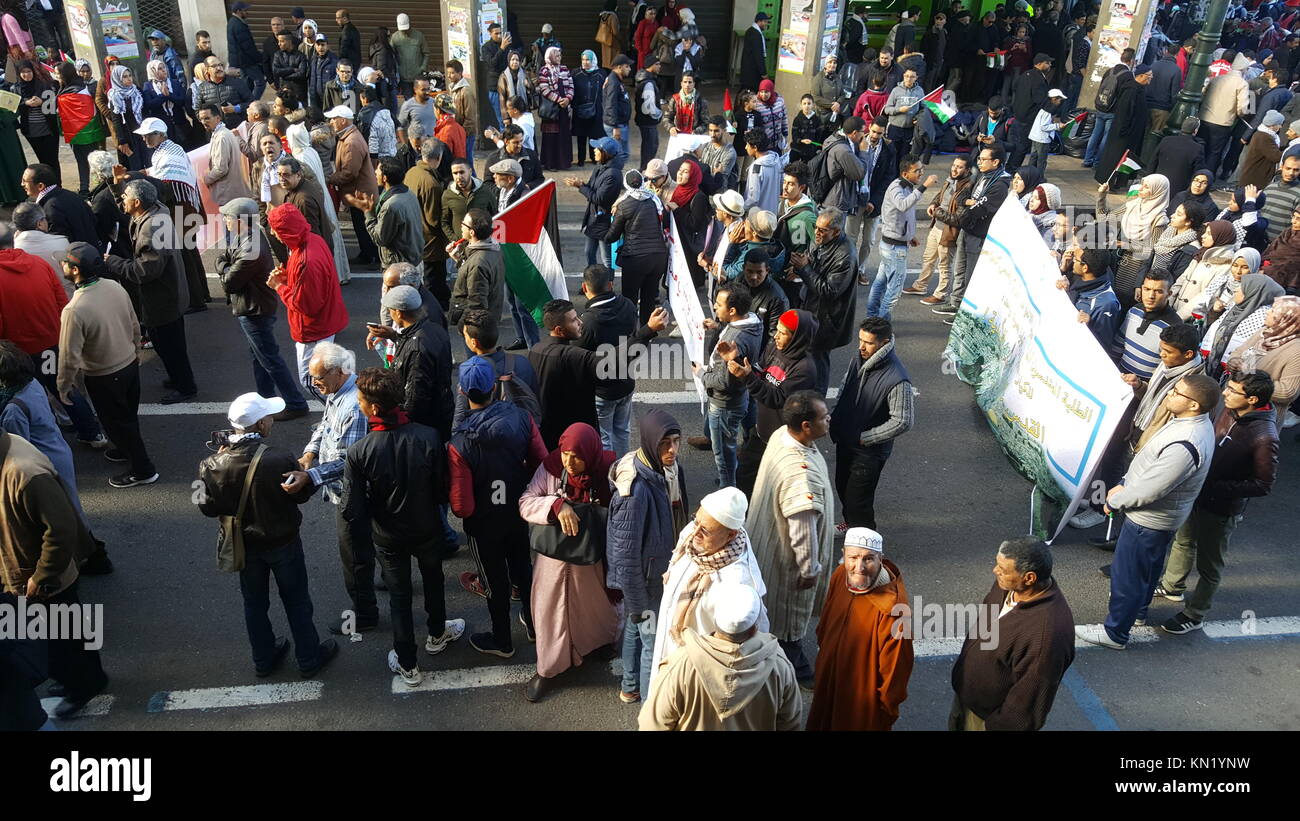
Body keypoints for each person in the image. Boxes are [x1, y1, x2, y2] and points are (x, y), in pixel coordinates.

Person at [196, 391, 338, 678]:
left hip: (244, 545)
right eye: (269, 417)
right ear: (260, 425)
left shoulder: (210, 464)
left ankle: (263, 658)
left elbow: (205, 506)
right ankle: (309, 657)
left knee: (254, 604)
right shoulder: (278, 458)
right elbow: (302, 494)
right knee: (296, 601)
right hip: (283, 541)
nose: (272, 420)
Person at [1076, 374, 1219, 651]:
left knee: (1128, 576)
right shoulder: (1190, 426)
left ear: (1194, 405)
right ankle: (1138, 613)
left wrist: (1116, 501)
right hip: (1156, 519)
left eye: (1177, 392)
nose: (1169, 395)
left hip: (1149, 520)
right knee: (1145, 571)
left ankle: (1115, 632)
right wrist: (1123, 484)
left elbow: (1152, 489)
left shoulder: (1186, 442)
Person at [342, 367, 464, 685]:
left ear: (375, 408)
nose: (358, 404)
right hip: (427, 528)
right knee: (434, 581)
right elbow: (442, 489)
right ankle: (437, 633)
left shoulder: (360, 451)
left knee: (399, 596)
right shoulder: (428, 436)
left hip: (387, 536)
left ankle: (407, 662)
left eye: (360, 400)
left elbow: (352, 508)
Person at [1158, 370, 1279, 635]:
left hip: (1222, 508)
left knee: (1210, 565)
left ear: (1252, 399)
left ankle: (1195, 613)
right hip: (1197, 494)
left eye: (1233, 391)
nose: (1225, 393)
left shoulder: (1264, 435)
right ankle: (1172, 586)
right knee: (1183, 540)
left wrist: (1216, 487)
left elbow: (1263, 484)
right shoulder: (1230, 411)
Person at [0, 427, 108, 718]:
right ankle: (89, 679)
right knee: (71, 632)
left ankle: (81, 686)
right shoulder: (11, 448)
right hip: (34, 568)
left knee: (59, 640)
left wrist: (42, 576)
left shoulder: (25, 473)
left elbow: (60, 531)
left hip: (42, 577)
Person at [518, 422, 620, 702]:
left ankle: (597, 643)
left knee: (594, 608)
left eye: (577, 456)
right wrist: (556, 506)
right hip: (553, 560)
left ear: (591, 453)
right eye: (566, 454)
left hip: (591, 560)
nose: (570, 462)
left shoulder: (609, 472)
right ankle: (547, 669)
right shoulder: (550, 467)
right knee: (549, 611)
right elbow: (526, 501)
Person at [745, 390, 833, 687]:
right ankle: (795, 673)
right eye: (823, 417)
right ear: (806, 426)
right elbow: (802, 532)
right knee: (788, 623)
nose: (828, 419)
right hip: (786, 564)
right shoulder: (800, 475)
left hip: (764, 545)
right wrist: (810, 571)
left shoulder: (783, 434)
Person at [949, 538, 1076, 731]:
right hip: (967, 698)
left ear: (1029, 578)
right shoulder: (1008, 585)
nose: (995, 571)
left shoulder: (1047, 636)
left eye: (1003, 569)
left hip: (988, 720)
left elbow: (1027, 707)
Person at [57, 242, 157, 488]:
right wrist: (135, 350)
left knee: (117, 423)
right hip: (129, 365)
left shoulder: (74, 309)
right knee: (127, 417)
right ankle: (125, 450)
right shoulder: (113, 286)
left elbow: (69, 355)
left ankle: (143, 469)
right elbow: (134, 323)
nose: (61, 265)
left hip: (103, 374)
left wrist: (64, 386)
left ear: (76, 271)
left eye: (65, 263)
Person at [607, 409, 689, 703]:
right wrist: (640, 602)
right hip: (645, 583)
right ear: (651, 443)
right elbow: (625, 555)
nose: (672, 450)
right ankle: (649, 712)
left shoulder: (667, 468)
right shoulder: (636, 491)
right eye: (665, 444)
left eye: (676, 441)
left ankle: (629, 687)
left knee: (634, 626)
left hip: (655, 574)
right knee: (654, 650)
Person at [639, 582, 801, 731]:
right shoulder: (779, 665)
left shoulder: (681, 664)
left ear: (715, 621)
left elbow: (652, 724)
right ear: (754, 628)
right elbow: (790, 723)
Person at [650, 487, 769, 685]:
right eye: (696, 520)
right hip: (668, 649)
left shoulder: (738, 584)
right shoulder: (692, 535)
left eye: (705, 530)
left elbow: (750, 643)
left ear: (731, 535)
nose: (694, 532)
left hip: (696, 675)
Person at [804, 526, 912, 731]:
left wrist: (883, 711)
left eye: (868, 559)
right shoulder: (839, 575)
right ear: (844, 556)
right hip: (829, 682)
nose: (859, 567)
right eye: (853, 558)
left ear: (881, 558)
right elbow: (825, 623)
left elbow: (897, 673)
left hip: (861, 702)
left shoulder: (896, 610)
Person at [104, 179, 197, 405]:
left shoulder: (151, 228)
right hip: (170, 294)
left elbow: (146, 271)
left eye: (125, 197)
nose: (122, 200)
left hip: (163, 299)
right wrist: (117, 187)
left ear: (137, 202)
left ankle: (185, 386)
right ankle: (179, 379)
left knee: (170, 346)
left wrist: (114, 262)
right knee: (169, 343)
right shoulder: (156, 210)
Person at [214, 198, 310, 420]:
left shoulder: (250, 247)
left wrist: (223, 266)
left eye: (227, 218)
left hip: (254, 309)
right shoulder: (249, 235)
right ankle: (265, 397)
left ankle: (295, 403)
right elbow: (225, 258)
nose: (225, 222)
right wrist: (224, 264)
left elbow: (229, 281)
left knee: (269, 358)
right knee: (259, 355)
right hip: (255, 306)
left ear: (239, 221)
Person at [830, 317, 914, 530]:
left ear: (884, 343)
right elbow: (845, 385)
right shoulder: (859, 358)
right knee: (843, 488)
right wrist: (836, 415)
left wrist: (867, 437)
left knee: (859, 502)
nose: (861, 346)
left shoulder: (897, 378)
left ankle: (866, 546)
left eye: (868, 342)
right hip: (846, 441)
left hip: (868, 452)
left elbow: (903, 421)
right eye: (860, 339)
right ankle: (850, 525)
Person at [266, 203, 350, 396]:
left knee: (313, 381)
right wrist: (288, 278)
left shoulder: (306, 259)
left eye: (276, 229)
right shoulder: (313, 241)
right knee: (329, 378)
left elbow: (305, 305)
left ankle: (335, 418)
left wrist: (279, 286)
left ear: (287, 231)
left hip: (313, 330)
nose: (273, 233)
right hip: (325, 324)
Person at [793, 207, 858, 394]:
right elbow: (812, 257)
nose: (816, 233)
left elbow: (829, 291)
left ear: (836, 232)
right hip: (810, 308)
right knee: (807, 355)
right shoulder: (821, 240)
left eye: (822, 230)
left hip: (826, 319)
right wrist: (799, 266)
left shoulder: (845, 255)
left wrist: (805, 269)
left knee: (819, 360)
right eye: (816, 228)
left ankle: (818, 402)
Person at [869, 155, 937, 322]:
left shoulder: (907, 186)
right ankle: (881, 325)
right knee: (894, 290)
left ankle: (872, 318)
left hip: (895, 243)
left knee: (880, 282)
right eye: (918, 171)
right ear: (906, 174)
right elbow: (903, 204)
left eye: (922, 170)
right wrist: (924, 187)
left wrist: (909, 236)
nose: (921, 173)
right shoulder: (897, 187)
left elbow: (904, 214)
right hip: (894, 249)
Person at [529, 299, 603, 448]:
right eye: (574, 320)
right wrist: (647, 331)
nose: (580, 323)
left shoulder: (535, 349)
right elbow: (612, 362)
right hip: (573, 439)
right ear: (559, 330)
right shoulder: (573, 356)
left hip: (545, 436)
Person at [286, 123, 351, 284]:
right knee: (330, 235)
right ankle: (339, 273)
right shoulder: (311, 151)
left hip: (313, 200)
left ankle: (329, 276)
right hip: (322, 196)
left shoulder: (300, 157)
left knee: (320, 239)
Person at [605, 169, 669, 324]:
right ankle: (646, 333)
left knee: (630, 299)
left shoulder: (624, 205)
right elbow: (664, 224)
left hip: (635, 258)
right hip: (658, 257)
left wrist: (604, 235)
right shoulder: (655, 201)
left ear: (626, 185)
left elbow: (612, 236)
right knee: (649, 298)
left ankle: (630, 334)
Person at [906, 155, 971, 305]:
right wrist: (933, 204)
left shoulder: (967, 188)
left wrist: (937, 212)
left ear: (967, 170)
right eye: (954, 165)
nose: (954, 169)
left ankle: (940, 295)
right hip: (937, 226)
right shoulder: (950, 180)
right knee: (928, 258)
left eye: (959, 167)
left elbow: (958, 219)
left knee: (944, 264)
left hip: (948, 231)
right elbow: (940, 196)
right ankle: (920, 286)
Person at [324, 104, 380, 266]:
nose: (331, 122)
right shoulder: (348, 136)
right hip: (359, 193)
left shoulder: (351, 142)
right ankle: (366, 254)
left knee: (364, 227)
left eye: (334, 119)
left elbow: (349, 173)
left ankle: (372, 257)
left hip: (361, 194)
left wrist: (330, 179)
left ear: (343, 121)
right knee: (361, 226)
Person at [1226, 296, 1300, 410]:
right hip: (1232, 402)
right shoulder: (1265, 331)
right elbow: (1238, 352)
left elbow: (1288, 392)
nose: (1267, 312)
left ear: (1287, 319)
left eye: (1273, 311)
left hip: (1257, 415)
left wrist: (1250, 377)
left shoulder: (1296, 350)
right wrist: (1235, 362)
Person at [448, 205, 506, 337]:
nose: (461, 226)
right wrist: (458, 258)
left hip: (475, 329)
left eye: (463, 223)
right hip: (489, 319)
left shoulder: (478, 264)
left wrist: (462, 327)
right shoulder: (493, 249)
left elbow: (476, 304)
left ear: (472, 232)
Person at [1170, 220, 1241, 320]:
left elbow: (1207, 296)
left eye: (1209, 234)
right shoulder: (1203, 254)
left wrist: (1179, 316)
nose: (1203, 236)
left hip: (1189, 318)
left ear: (1220, 237)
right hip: (1173, 310)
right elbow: (1182, 279)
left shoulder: (1226, 265)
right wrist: (1168, 302)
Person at [23, 163, 98, 249]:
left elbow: (58, 242)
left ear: (40, 186)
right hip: (92, 251)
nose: (22, 184)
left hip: (78, 257)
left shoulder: (51, 209)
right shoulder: (72, 195)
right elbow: (93, 220)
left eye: (25, 181)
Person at [198, 104, 254, 203]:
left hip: (229, 196)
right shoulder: (222, 133)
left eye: (207, 118)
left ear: (218, 118)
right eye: (201, 119)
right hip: (233, 194)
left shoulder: (221, 137)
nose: (203, 122)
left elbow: (221, 169)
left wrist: (205, 179)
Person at [12, 60, 59, 174]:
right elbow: (12, 105)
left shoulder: (43, 85)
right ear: (18, 73)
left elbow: (54, 106)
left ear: (33, 71)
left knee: (52, 161)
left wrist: (42, 102)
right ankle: (47, 187)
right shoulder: (15, 88)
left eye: (29, 71)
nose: (26, 74)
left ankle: (57, 186)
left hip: (48, 130)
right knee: (42, 161)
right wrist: (26, 103)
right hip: (31, 132)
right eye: (23, 72)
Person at [1153, 119, 1207, 198]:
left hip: (1158, 184)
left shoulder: (1166, 140)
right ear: (1195, 131)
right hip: (1178, 191)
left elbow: (1153, 162)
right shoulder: (1197, 148)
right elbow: (1198, 172)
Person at [1241, 110, 1286, 190]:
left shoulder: (1265, 135)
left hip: (1255, 175)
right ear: (1272, 125)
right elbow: (1276, 156)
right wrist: (1289, 151)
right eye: (1279, 124)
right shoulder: (1264, 137)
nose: (1281, 127)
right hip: (1255, 177)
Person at [633, 59, 665, 167]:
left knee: (648, 146)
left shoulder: (644, 79)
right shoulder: (648, 83)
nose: (660, 66)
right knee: (650, 148)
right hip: (648, 121)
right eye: (657, 64)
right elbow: (648, 107)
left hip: (644, 121)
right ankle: (646, 171)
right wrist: (659, 114)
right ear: (650, 66)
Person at [390, 14, 428, 99]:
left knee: (421, 98)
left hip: (417, 74)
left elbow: (426, 53)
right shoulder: (395, 37)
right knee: (408, 100)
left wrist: (422, 67)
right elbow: (391, 55)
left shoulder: (419, 36)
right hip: (403, 76)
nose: (404, 31)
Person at [602, 55, 633, 159]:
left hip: (619, 123)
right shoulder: (613, 82)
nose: (630, 69)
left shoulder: (616, 80)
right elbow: (611, 104)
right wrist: (615, 126)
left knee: (621, 155)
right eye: (627, 66)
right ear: (619, 67)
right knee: (619, 156)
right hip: (616, 125)